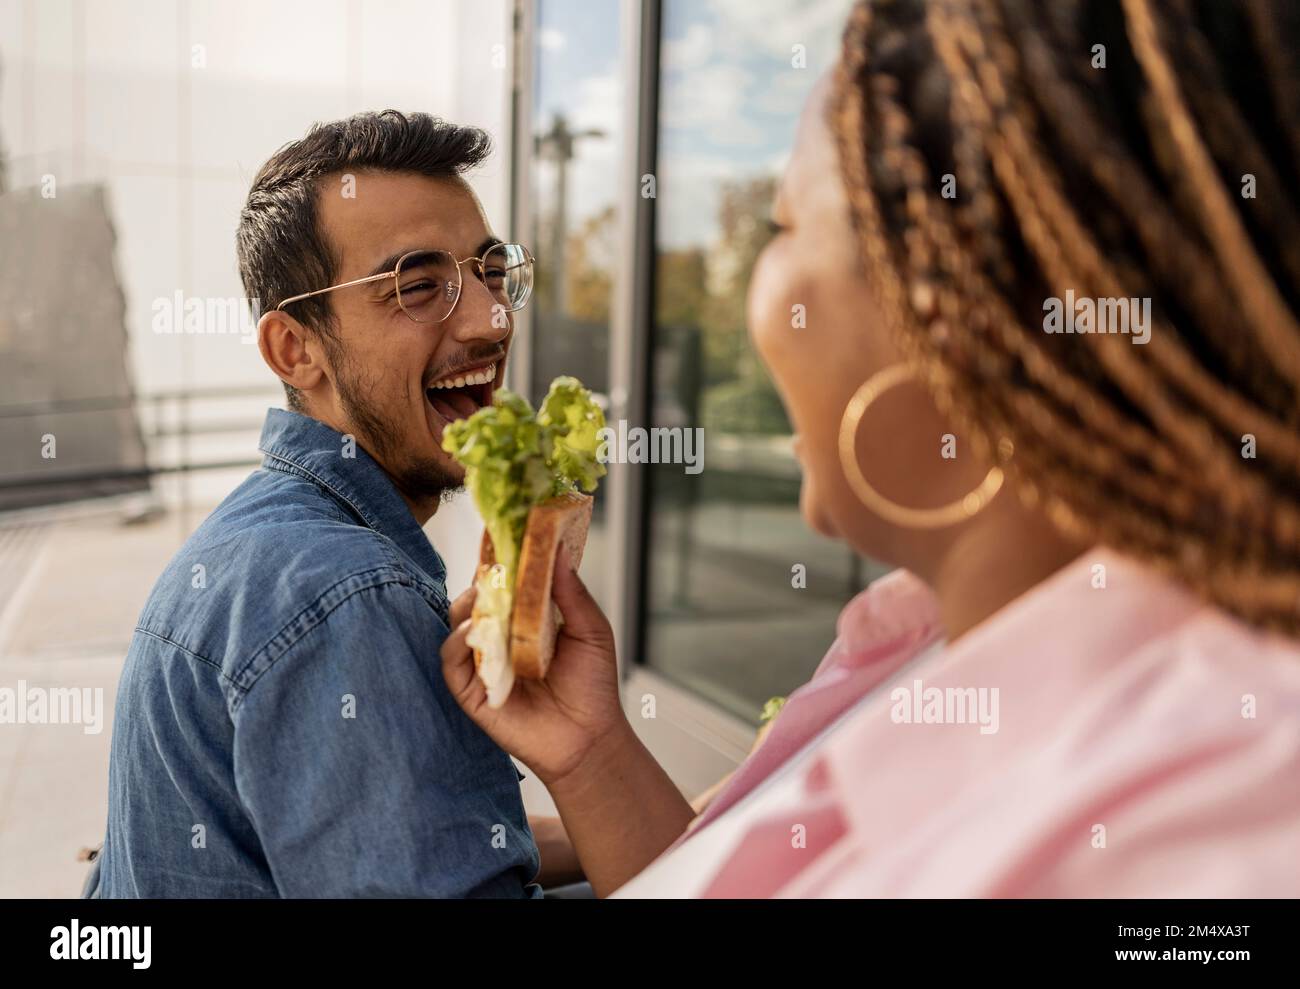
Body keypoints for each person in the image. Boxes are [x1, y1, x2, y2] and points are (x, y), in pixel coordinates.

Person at [441, 0, 1300, 896]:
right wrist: (588, 754)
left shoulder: (1192, 839)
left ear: (948, 316)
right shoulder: (922, 635)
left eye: (781, 228)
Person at [95, 111, 548, 897]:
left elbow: (417, 835)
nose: (491, 319)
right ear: (293, 350)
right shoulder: (343, 593)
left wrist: (681, 812)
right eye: (416, 287)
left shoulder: (264, 534)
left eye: (491, 272)